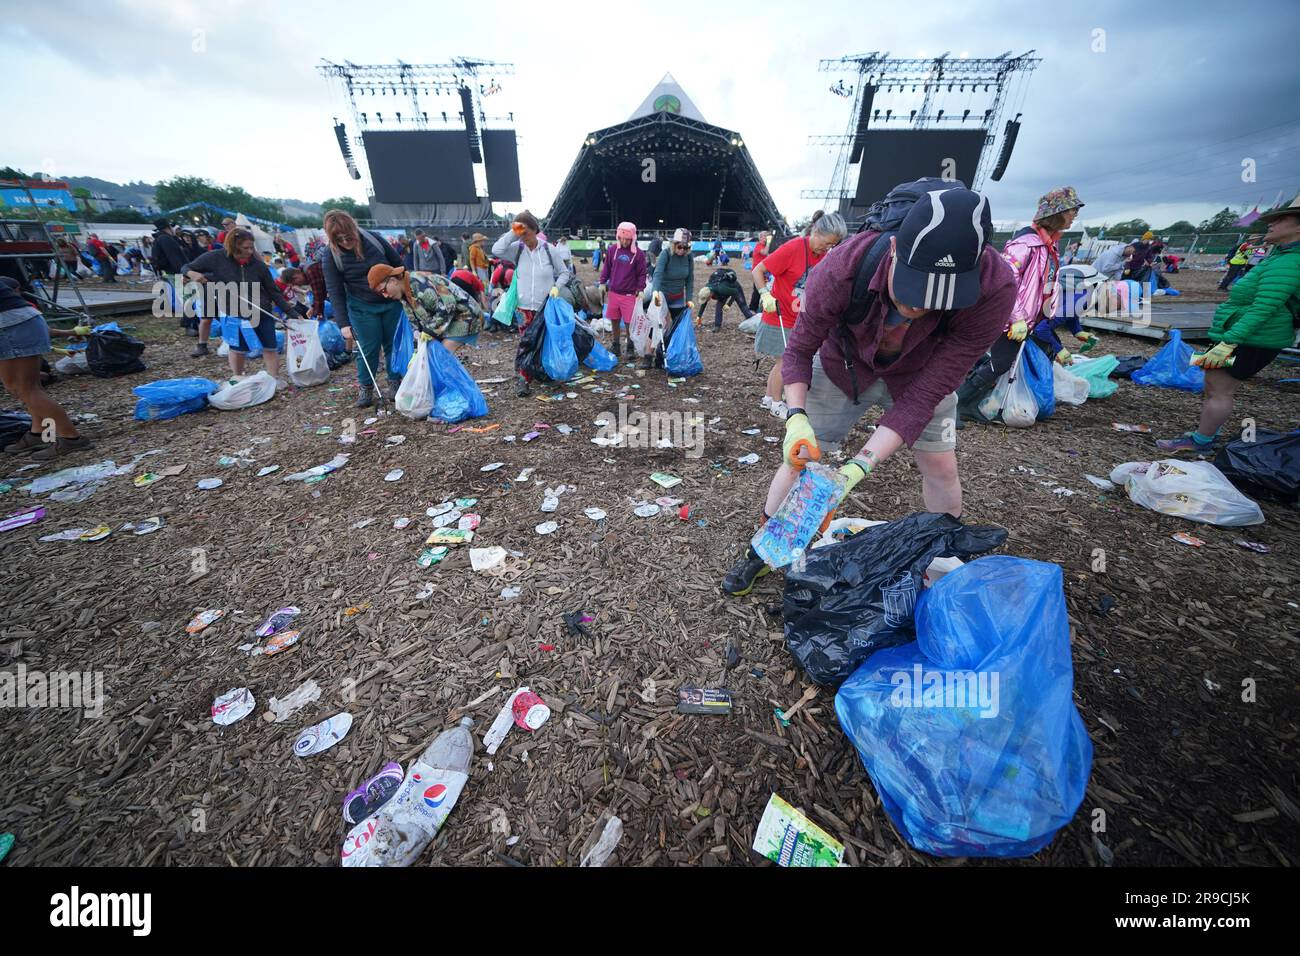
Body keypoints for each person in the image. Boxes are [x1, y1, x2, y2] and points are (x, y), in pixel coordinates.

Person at [721, 187, 1016, 595]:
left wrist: (859, 466)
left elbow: (930, 391)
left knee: (942, 466)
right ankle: (765, 552)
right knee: (800, 458)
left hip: (920, 374)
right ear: (895, 250)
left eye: (935, 300)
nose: (917, 308)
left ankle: (948, 560)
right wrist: (796, 418)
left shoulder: (995, 288)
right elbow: (800, 348)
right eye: (911, 290)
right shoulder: (846, 263)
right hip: (844, 365)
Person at [1156, 200, 1300, 453]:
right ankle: (1208, 432)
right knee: (1212, 384)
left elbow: (1264, 308)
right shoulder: (1279, 256)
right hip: (1237, 334)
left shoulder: (1290, 262)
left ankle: (1201, 441)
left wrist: (1229, 341)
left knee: (1221, 388)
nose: (1271, 224)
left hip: (1250, 338)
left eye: (1280, 220)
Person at [956, 187, 1092, 418]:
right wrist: (1016, 318)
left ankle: (969, 405)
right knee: (999, 362)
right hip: (1009, 317)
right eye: (1071, 211)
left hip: (1027, 319)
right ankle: (957, 403)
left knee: (1002, 362)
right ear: (1056, 212)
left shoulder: (1048, 246)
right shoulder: (1026, 244)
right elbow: (1006, 282)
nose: (1074, 216)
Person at [752, 214, 848, 417]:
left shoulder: (826, 255)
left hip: (802, 319)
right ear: (815, 231)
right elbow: (758, 270)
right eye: (825, 242)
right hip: (780, 315)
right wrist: (764, 294)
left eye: (832, 244)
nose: (827, 248)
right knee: (786, 362)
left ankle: (769, 397)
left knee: (782, 362)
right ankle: (777, 403)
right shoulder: (793, 248)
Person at [184, 227, 299, 381]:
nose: (250, 251)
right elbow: (186, 267)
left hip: (261, 311)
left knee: (270, 347)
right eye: (246, 248)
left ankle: (274, 379)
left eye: (252, 247)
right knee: (237, 348)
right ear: (233, 246)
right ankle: (237, 378)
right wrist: (192, 273)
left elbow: (274, 292)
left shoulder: (258, 265)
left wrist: (293, 314)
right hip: (234, 314)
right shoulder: (216, 258)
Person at [0, 277, 94, 460]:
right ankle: (40, 432)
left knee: (23, 387)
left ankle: (70, 438)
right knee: (29, 386)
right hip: (23, 319)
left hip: (8, 324)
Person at [322, 209, 404, 407]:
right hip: (362, 307)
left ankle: (395, 383)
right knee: (368, 349)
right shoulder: (331, 255)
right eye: (339, 239)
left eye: (347, 236)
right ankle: (366, 387)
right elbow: (335, 290)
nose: (345, 241)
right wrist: (343, 323)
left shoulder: (374, 240)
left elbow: (399, 265)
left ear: (354, 229)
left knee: (394, 345)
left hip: (390, 302)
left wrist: (404, 293)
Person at [492, 210, 571, 395]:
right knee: (526, 342)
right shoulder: (517, 249)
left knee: (544, 341)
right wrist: (514, 231)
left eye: (526, 232)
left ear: (535, 230)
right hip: (524, 306)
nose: (524, 237)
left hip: (545, 306)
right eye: (520, 233)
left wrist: (556, 287)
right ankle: (523, 379)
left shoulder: (549, 250)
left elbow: (564, 273)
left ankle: (543, 372)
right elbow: (496, 250)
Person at [370, 263, 484, 356]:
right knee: (429, 355)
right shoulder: (404, 296)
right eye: (381, 294)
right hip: (449, 321)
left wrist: (429, 331)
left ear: (393, 281)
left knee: (441, 355)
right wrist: (417, 351)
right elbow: (416, 324)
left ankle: (458, 384)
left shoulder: (419, 284)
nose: (385, 296)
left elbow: (448, 307)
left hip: (466, 316)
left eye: (383, 290)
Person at [649, 228, 698, 370]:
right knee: (658, 325)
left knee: (676, 328)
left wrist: (689, 299)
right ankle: (648, 355)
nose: (682, 250)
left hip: (678, 296)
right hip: (663, 294)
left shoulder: (689, 257)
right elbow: (657, 274)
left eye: (686, 247)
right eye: (680, 246)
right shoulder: (666, 254)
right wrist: (655, 292)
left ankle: (663, 354)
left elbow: (690, 280)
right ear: (674, 244)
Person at [599, 221, 648, 358]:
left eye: (628, 239)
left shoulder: (638, 254)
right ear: (618, 236)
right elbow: (607, 268)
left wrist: (641, 288)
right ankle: (616, 345)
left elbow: (642, 273)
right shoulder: (612, 250)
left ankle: (630, 347)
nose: (625, 242)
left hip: (629, 294)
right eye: (622, 238)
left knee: (629, 322)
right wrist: (602, 283)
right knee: (614, 319)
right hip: (614, 292)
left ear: (633, 238)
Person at [697, 265, 754, 332]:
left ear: (710, 295)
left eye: (707, 298)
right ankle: (717, 327)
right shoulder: (707, 289)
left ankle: (752, 320)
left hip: (734, 288)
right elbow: (704, 302)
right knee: (719, 307)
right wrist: (699, 316)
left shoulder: (721, 289)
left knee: (742, 305)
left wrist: (728, 304)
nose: (706, 300)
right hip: (722, 293)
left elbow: (735, 292)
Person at [748, 231, 771, 313]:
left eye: (767, 236)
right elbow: (764, 253)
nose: (766, 237)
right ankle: (752, 308)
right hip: (758, 271)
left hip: (763, 271)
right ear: (760, 237)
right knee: (758, 290)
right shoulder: (758, 246)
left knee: (761, 289)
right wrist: (768, 243)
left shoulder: (764, 246)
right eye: (764, 236)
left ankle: (756, 308)